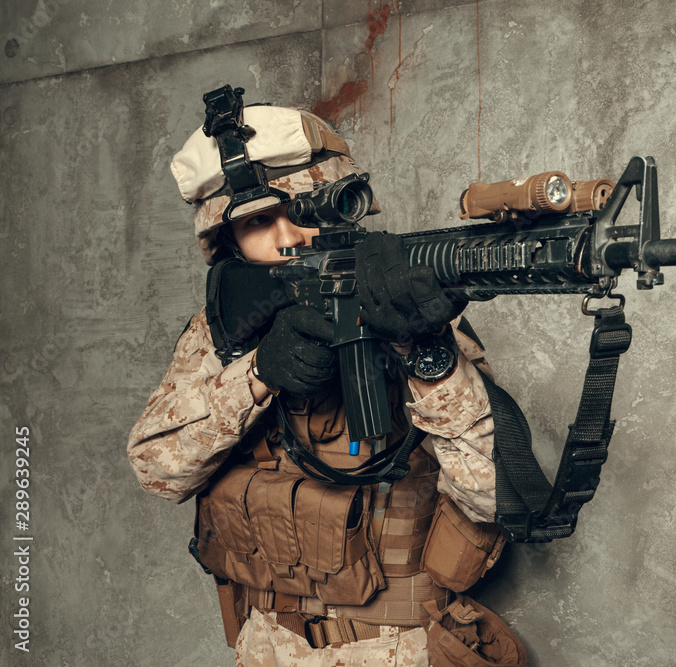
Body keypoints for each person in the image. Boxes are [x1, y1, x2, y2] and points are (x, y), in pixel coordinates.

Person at [127, 87, 526, 666]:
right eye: (259, 221)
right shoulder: (222, 333)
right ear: (227, 239)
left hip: (397, 650)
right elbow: (157, 471)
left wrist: (425, 350)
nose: (290, 236)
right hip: (265, 647)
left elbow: (494, 497)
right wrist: (258, 374)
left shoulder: (409, 312)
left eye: (304, 210)